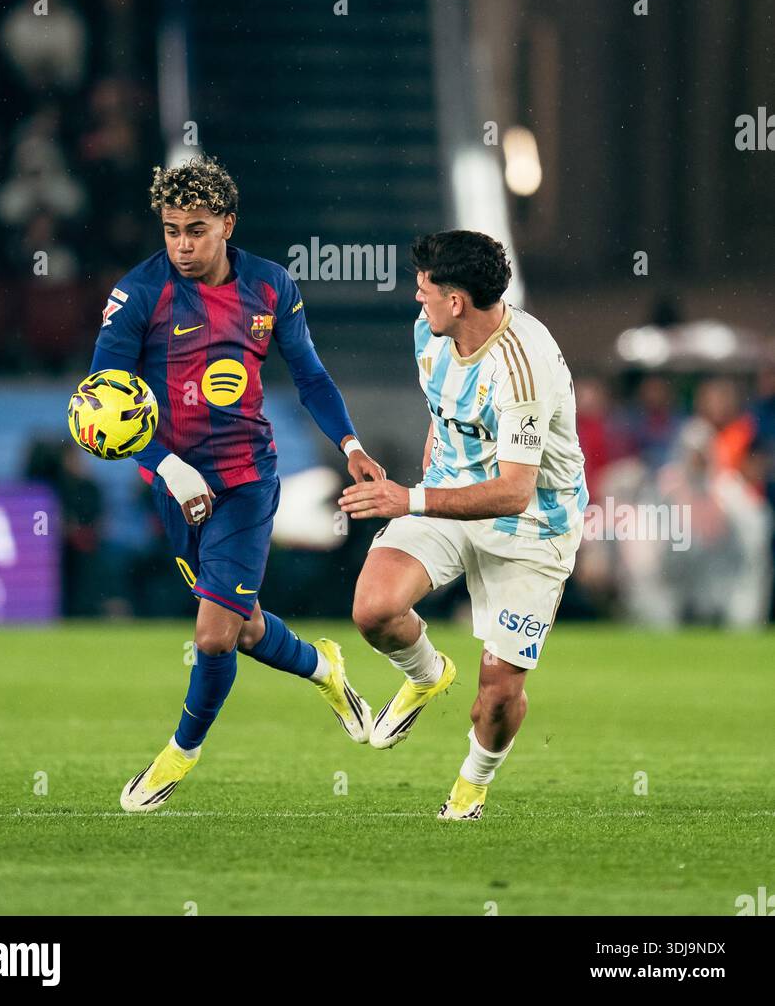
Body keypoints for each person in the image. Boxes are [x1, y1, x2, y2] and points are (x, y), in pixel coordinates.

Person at [88, 154, 384, 811]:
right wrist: (166, 466)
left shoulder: (271, 286)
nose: (182, 245)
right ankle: (323, 667)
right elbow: (99, 402)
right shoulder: (139, 295)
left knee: (212, 636)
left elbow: (308, 374)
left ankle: (177, 755)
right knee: (244, 628)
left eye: (196, 229)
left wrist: (351, 444)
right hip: (175, 485)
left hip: (247, 482)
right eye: (171, 230)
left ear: (228, 223)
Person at [342, 230, 588, 821]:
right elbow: (443, 403)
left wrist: (410, 498)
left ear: (457, 300)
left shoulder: (520, 368)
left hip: (533, 524)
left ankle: (471, 788)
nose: (416, 299)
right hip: (449, 497)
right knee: (374, 609)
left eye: (424, 289)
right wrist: (432, 464)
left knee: (497, 696)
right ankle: (427, 674)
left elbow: (514, 489)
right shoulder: (431, 331)